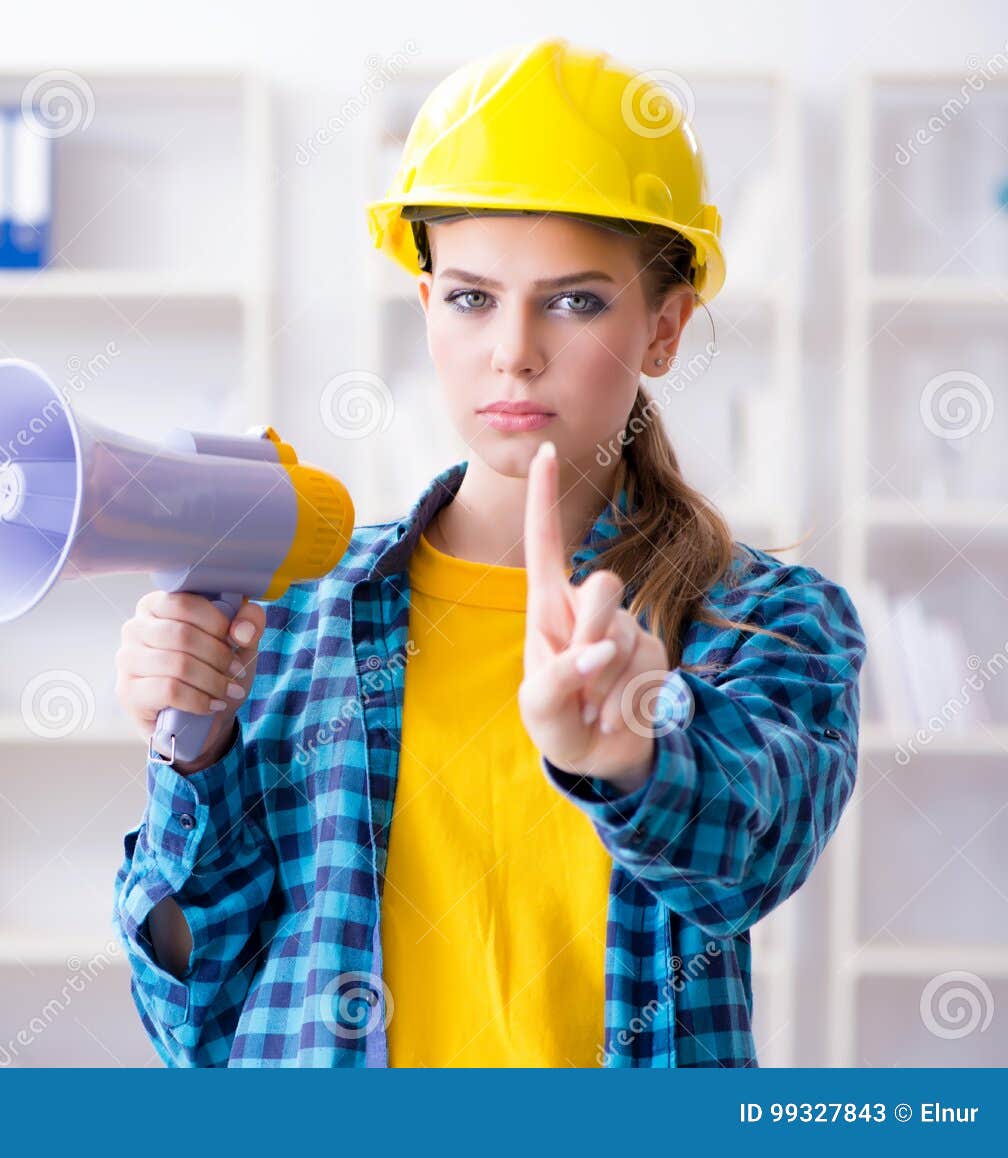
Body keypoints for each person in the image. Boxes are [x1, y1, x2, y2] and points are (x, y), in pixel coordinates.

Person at [111, 37, 865, 1067]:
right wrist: (189, 753)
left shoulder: (764, 618)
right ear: (426, 310)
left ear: (666, 329)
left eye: (574, 299)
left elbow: (753, 856)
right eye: (471, 296)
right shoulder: (288, 613)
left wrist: (635, 750)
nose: (512, 348)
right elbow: (192, 1023)